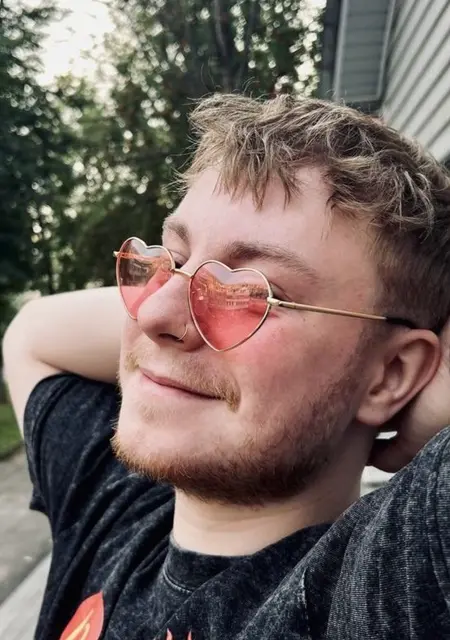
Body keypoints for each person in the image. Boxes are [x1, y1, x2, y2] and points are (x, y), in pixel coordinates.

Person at [3, 93, 450, 640]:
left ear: (392, 372)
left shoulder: (384, 588)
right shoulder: (110, 507)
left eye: (248, 292)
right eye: (171, 259)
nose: (153, 313)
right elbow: (33, 333)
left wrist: (427, 403)